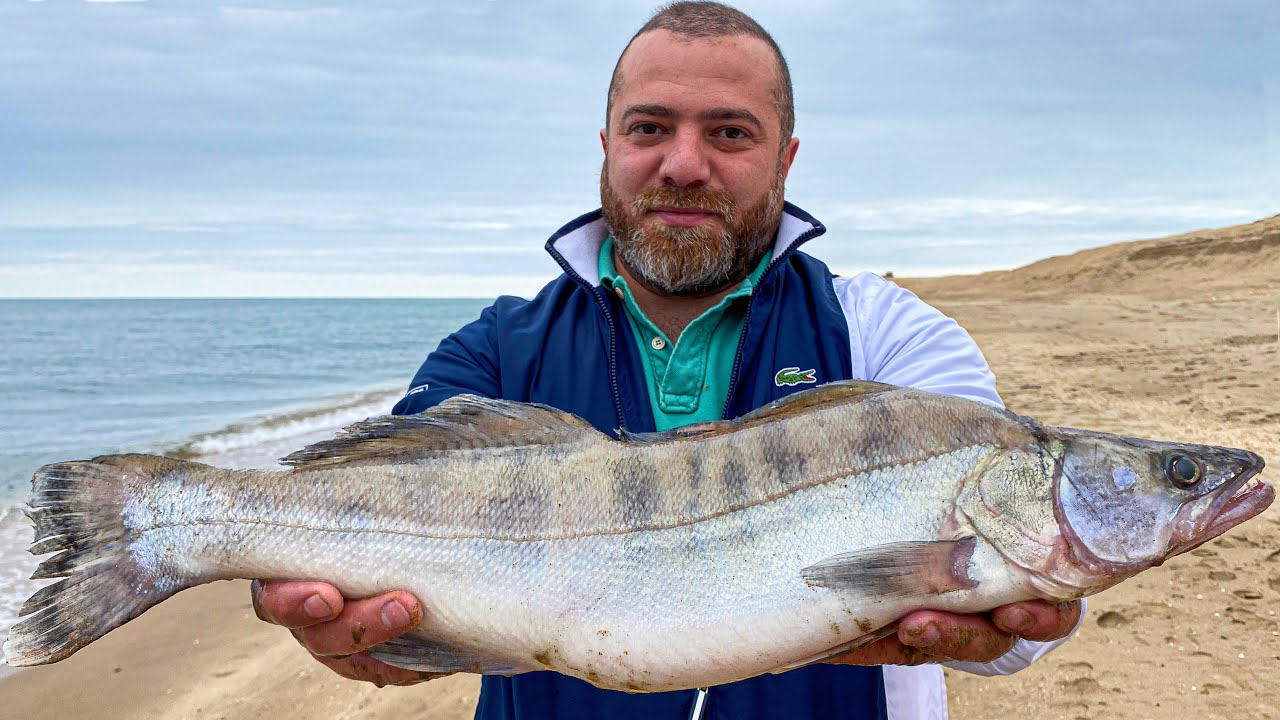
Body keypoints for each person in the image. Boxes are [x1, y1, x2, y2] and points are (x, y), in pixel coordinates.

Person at [252, 3, 1083, 718]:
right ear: (607, 145)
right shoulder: (493, 351)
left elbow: (1006, 645)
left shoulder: (891, 339)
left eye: (729, 133)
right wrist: (366, 638)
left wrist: (1014, 614)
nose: (684, 164)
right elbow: (373, 548)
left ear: (786, 159)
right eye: (651, 128)